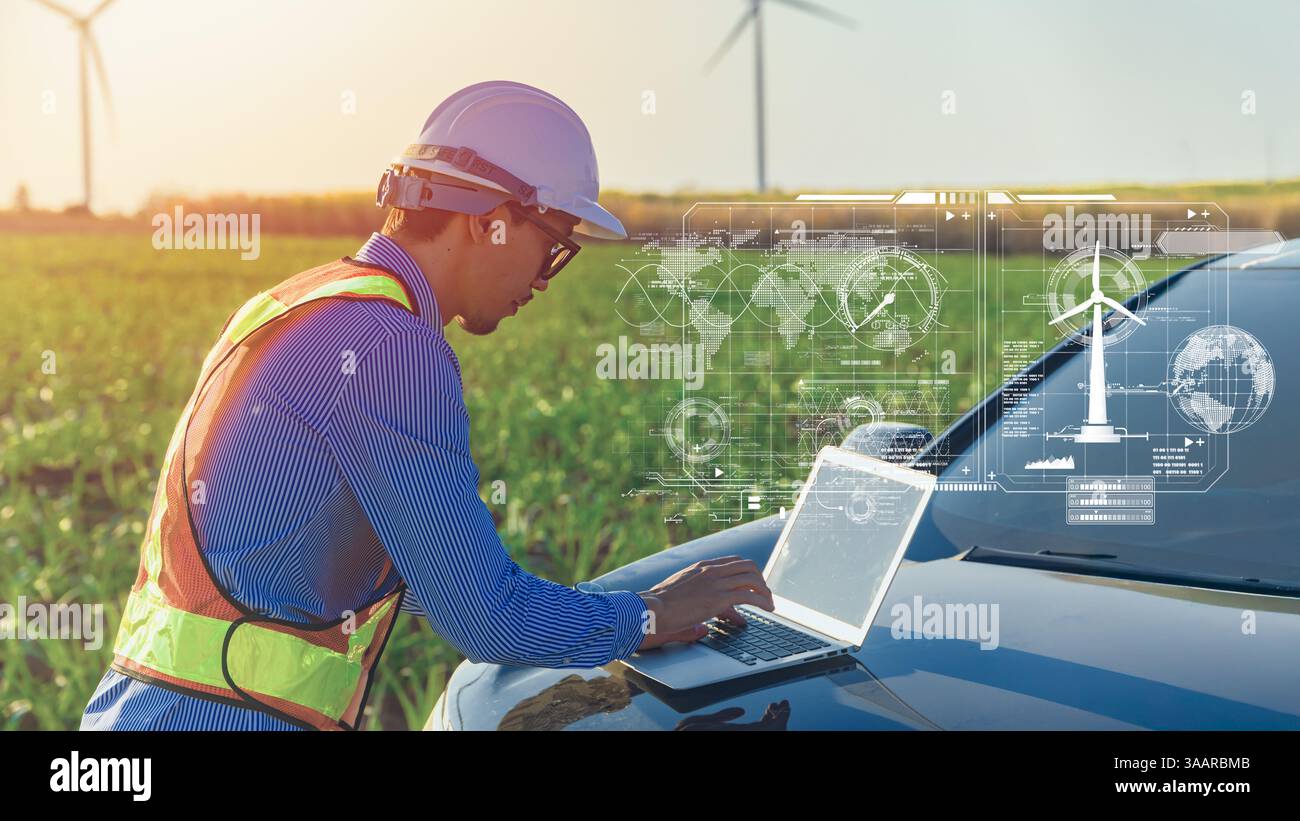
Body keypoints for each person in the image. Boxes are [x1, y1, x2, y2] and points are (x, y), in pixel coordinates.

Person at [81, 81, 772, 730]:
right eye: (552, 247)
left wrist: (593, 610)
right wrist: (650, 614)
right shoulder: (391, 347)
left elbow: (394, 568)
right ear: (492, 221)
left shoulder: (302, 304)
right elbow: (484, 618)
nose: (544, 278)